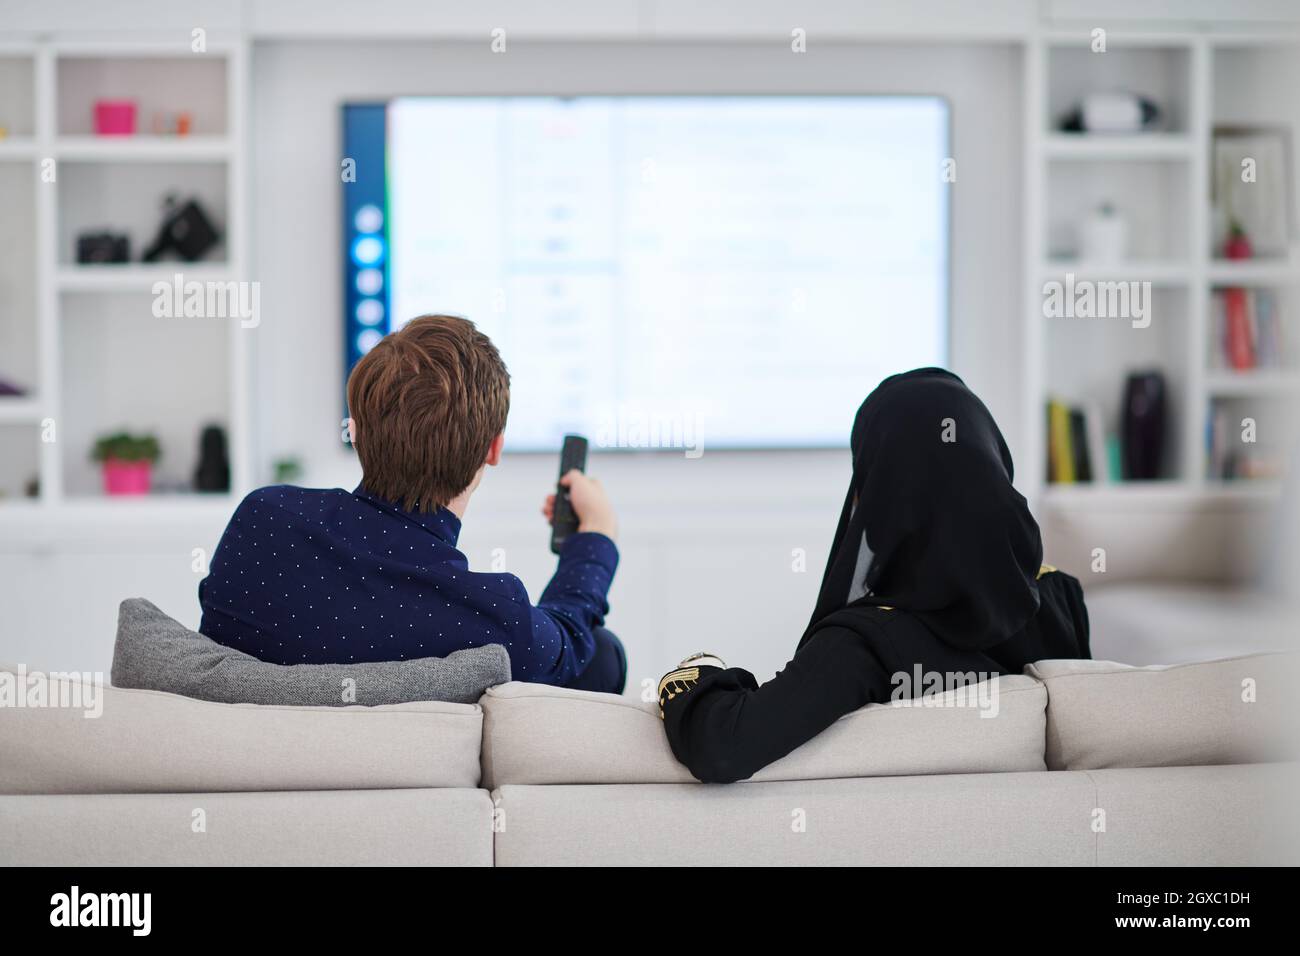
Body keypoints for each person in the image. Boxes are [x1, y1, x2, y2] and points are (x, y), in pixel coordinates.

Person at [658, 368, 1090, 783]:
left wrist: (699, 671)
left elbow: (725, 746)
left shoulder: (864, 644)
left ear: (877, 502)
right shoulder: (1059, 598)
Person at [199, 314, 625, 693]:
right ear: (493, 449)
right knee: (602, 656)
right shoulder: (491, 619)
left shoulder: (262, 523)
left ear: (357, 431)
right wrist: (595, 538)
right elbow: (570, 636)